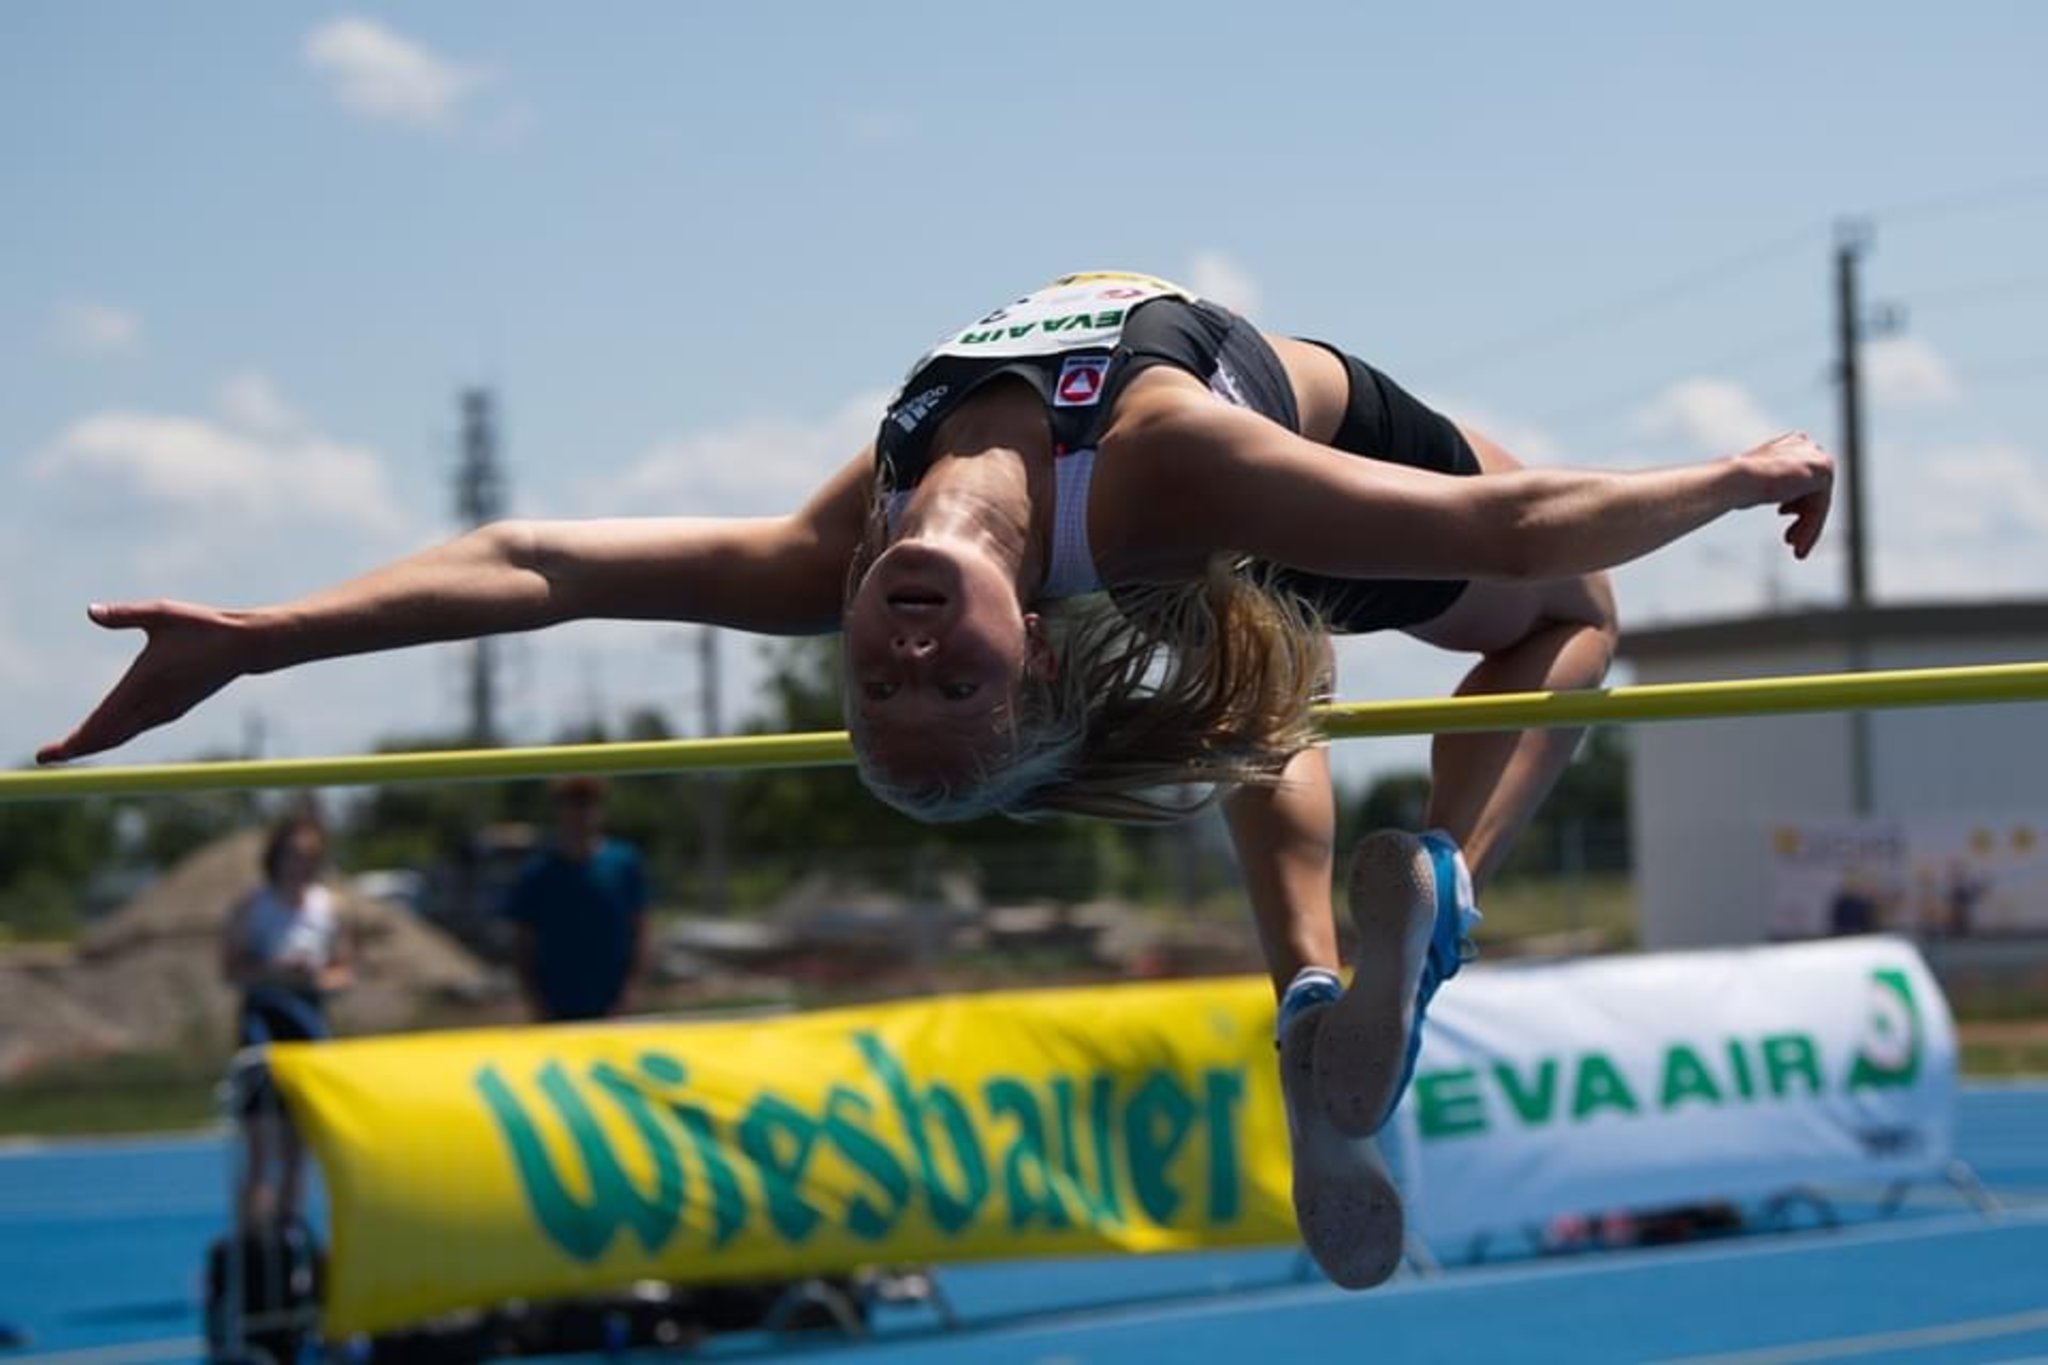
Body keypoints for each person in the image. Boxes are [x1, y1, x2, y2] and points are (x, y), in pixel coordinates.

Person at [42, 270, 1832, 1288]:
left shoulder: (845, 537)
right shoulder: (1151, 476)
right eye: (944, 684)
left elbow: (535, 565)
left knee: (1258, 694)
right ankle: (1440, 885)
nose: (899, 643)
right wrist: (1729, 473)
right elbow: (1508, 524)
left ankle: (1310, 1002)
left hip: (1223, 548)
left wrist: (259, 641)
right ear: (1028, 657)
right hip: (1308, 457)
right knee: (1573, 617)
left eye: (873, 682)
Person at [221, 803, 353, 1231]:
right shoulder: (253, 906)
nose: (301, 864)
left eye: (310, 856)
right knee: (262, 1150)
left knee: (299, 1151)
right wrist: (275, 972)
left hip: (308, 1024)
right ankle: (253, 1247)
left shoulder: (326, 908)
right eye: (294, 854)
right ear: (276, 857)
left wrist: (316, 978)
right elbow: (231, 968)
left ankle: (288, 1238)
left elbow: (343, 969)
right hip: (264, 1024)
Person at [504, 775, 650, 1022]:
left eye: (589, 803)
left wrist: (632, 991)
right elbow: (522, 943)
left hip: (612, 1006)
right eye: (572, 803)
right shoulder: (537, 872)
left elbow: (641, 931)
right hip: (554, 1008)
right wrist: (534, 1002)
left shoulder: (624, 862)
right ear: (560, 809)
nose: (581, 813)